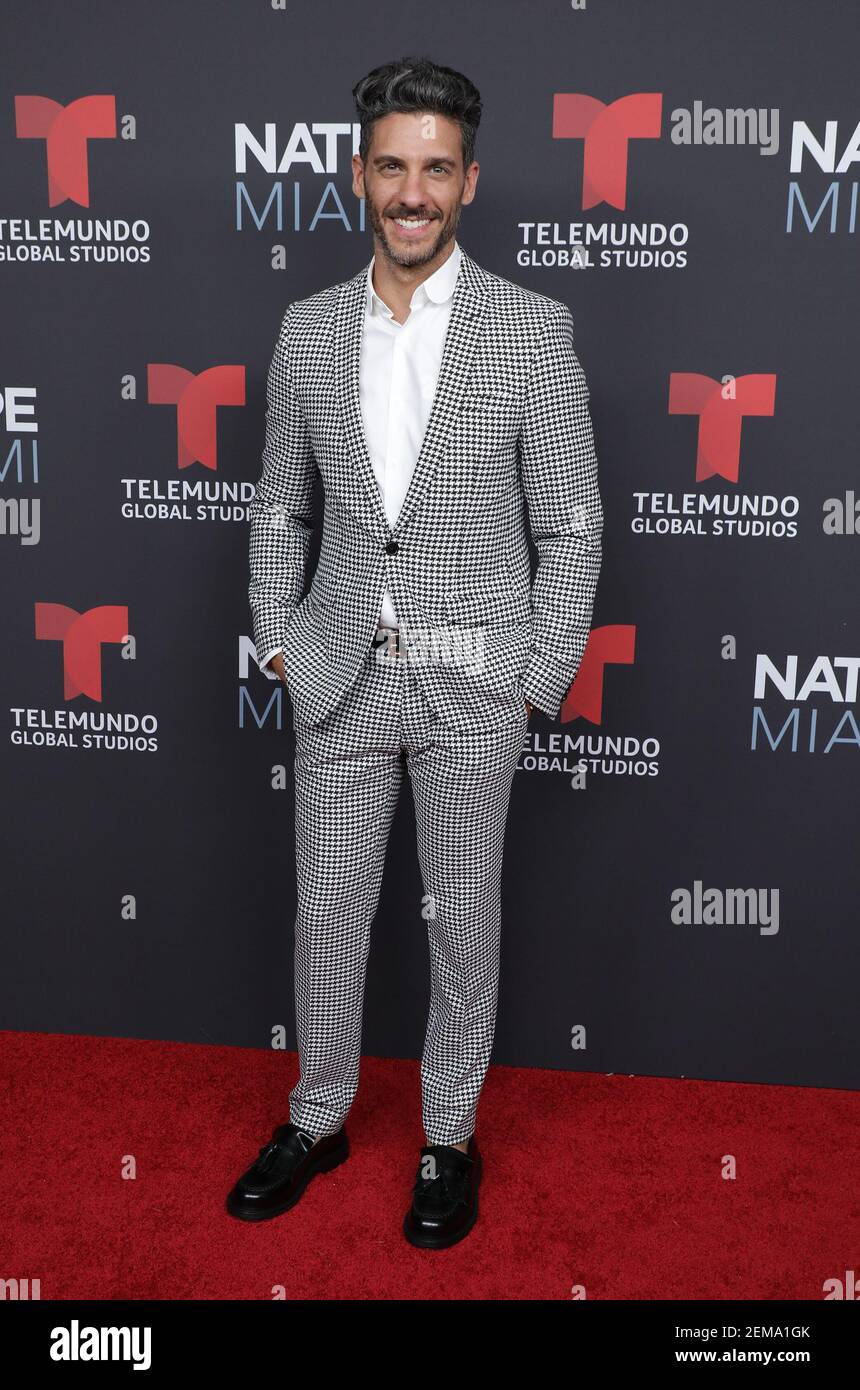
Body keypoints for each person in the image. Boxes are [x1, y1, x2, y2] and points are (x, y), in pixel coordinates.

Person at [227, 54, 603, 1249]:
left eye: (435, 168)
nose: (411, 190)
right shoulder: (305, 329)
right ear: (357, 177)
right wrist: (277, 640)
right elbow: (280, 505)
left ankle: (448, 1133)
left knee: (463, 919)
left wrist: (534, 673)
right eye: (391, 166)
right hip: (337, 673)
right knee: (326, 912)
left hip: (471, 680)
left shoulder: (533, 331)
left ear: (469, 182)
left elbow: (572, 521)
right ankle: (320, 1112)